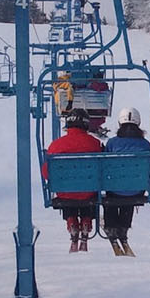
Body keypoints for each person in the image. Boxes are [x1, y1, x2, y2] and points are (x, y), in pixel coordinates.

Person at [44, 108, 103, 251]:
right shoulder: (95, 144)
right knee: (87, 189)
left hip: (65, 193)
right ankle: (87, 220)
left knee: (68, 191)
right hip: (88, 192)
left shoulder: (56, 145)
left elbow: (47, 173)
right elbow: (103, 170)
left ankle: (71, 221)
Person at [102, 106, 150, 257]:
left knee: (113, 192)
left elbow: (105, 166)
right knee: (130, 191)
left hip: (115, 189)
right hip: (136, 189)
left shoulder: (112, 143)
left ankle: (111, 226)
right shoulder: (145, 144)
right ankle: (123, 227)